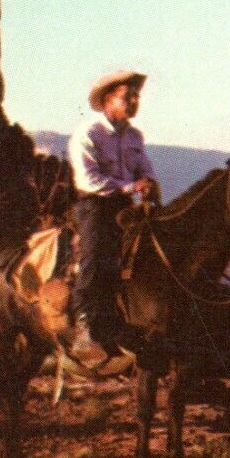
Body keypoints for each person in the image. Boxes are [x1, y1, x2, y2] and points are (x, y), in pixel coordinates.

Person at [67, 70, 157, 364]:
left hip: (125, 205)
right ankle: (83, 323)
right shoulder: (88, 134)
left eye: (136, 97)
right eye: (127, 96)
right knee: (94, 254)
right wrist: (131, 186)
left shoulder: (134, 136)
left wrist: (148, 183)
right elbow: (88, 179)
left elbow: (144, 166)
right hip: (95, 205)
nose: (133, 101)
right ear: (108, 100)